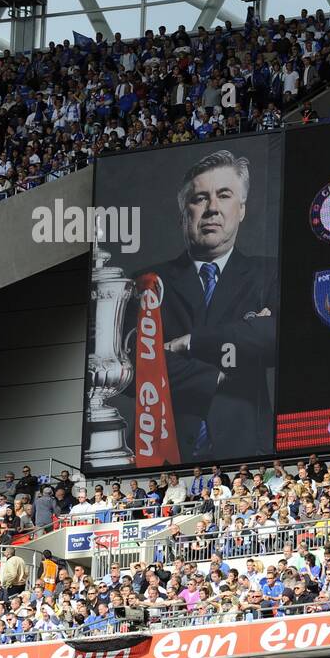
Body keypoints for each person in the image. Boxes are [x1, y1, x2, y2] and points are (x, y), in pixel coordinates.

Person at [135, 149, 278, 461]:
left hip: (248, 450)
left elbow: (273, 338)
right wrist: (220, 373)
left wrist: (190, 343)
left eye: (223, 195)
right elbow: (137, 364)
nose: (212, 208)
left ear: (241, 209)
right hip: (166, 452)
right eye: (200, 198)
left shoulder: (269, 273)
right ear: (184, 212)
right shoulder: (148, 280)